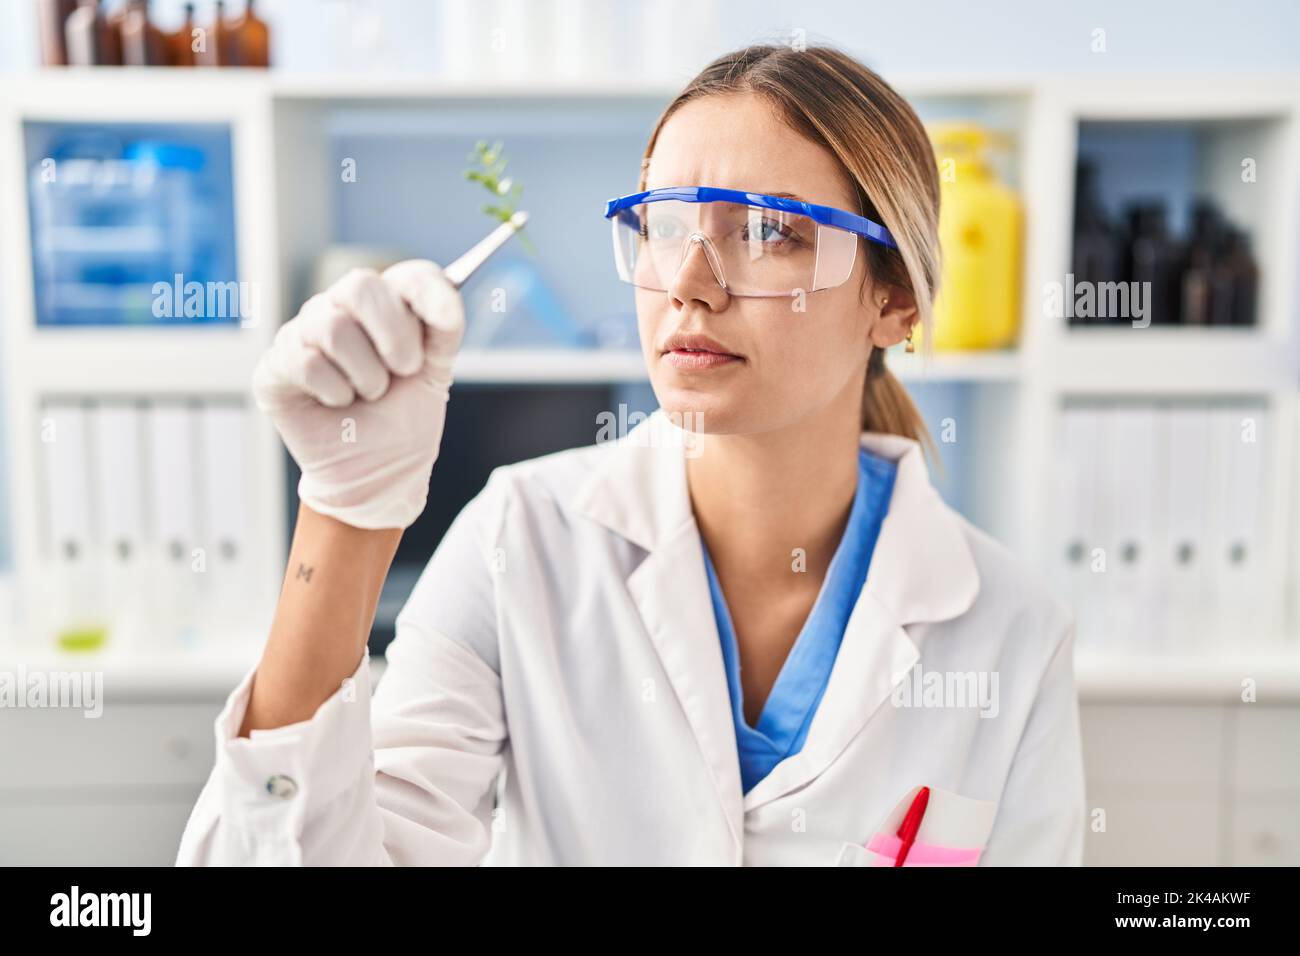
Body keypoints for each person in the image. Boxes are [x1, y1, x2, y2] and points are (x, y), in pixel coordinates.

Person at [176, 44, 1084, 866]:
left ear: (895, 301)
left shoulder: (1012, 629)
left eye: (770, 231)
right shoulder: (516, 539)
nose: (689, 282)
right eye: (665, 224)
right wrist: (343, 510)